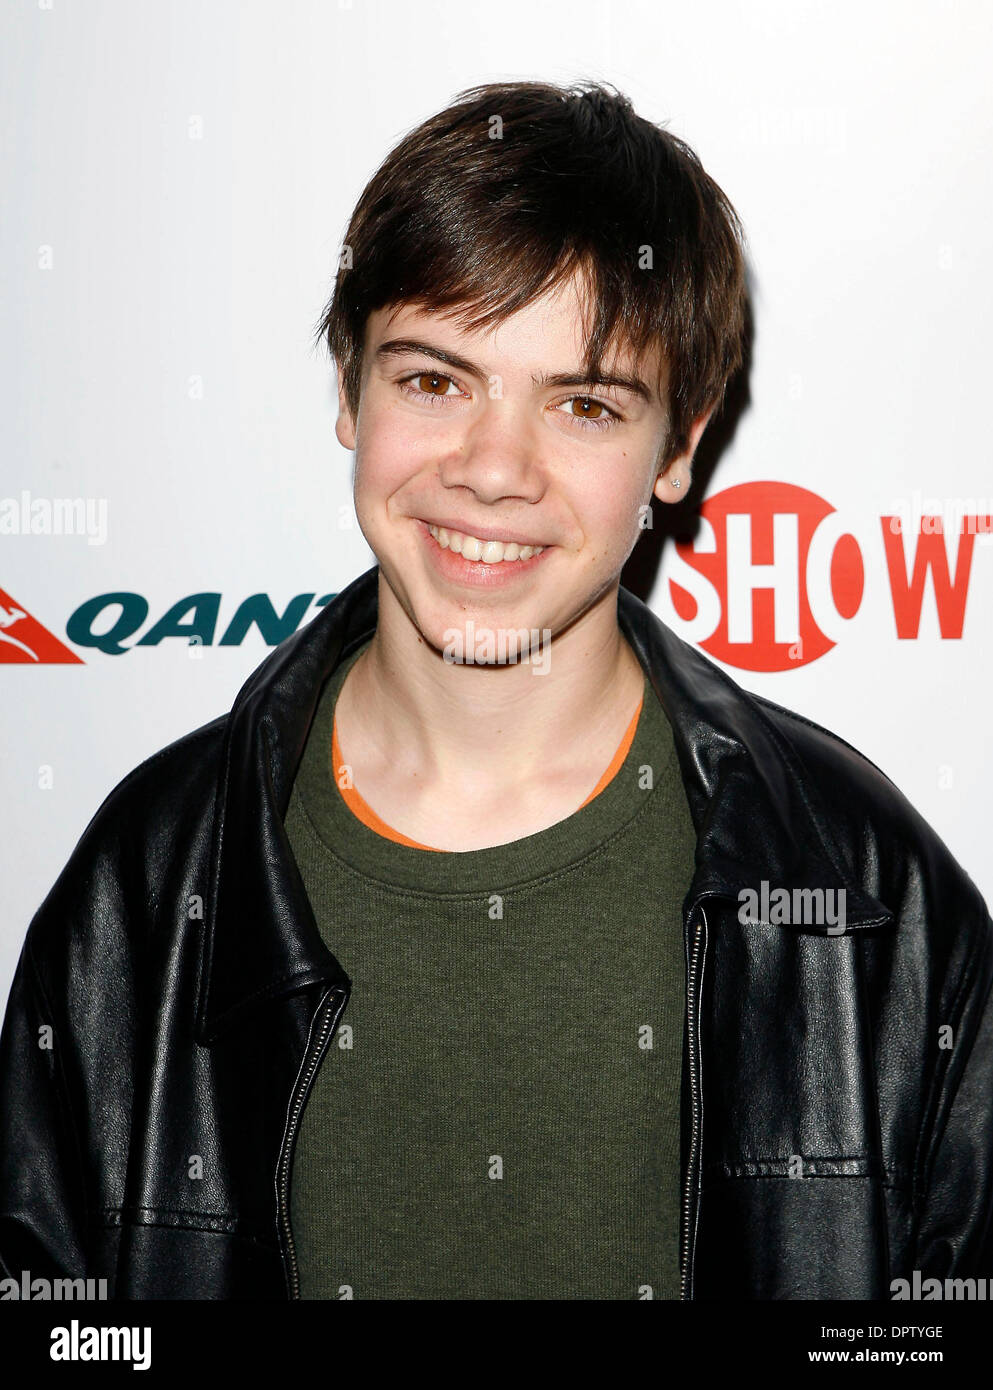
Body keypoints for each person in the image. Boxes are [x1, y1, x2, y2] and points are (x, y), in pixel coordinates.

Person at [1, 78, 990, 1302]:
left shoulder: (865, 895)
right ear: (352, 393)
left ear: (680, 447)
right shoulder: (147, 886)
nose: (492, 470)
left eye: (581, 404)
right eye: (434, 381)